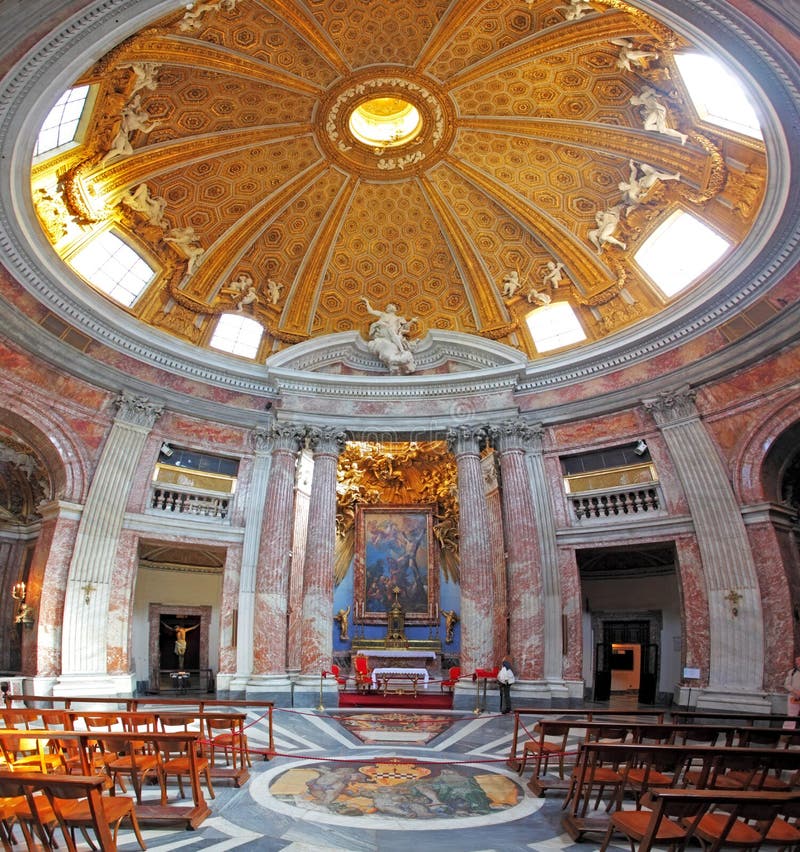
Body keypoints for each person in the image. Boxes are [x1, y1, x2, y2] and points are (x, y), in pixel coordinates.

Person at [784, 654, 800, 728]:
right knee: (791, 719)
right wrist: (795, 691)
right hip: (794, 697)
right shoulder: (792, 672)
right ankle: (784, 738)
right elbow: (786, 685)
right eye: (797, 661)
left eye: (799, 661)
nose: (798, 663)